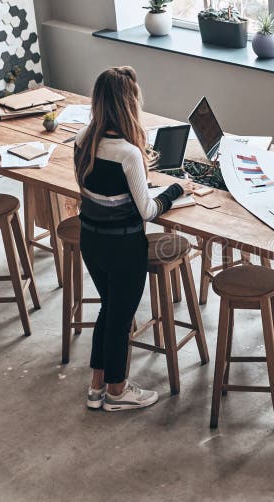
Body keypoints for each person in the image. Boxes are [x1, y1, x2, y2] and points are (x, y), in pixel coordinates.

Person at [74, 66, 195, 411]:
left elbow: (99, 194)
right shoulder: (127, 153)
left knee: (109, 309)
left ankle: (96, 387)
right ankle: (117, 391)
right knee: (121, 317)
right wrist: (175, 189)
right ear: (129, 105)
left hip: (91, 240)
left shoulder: (83, 140)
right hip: (123, 247)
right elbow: (146, 211)